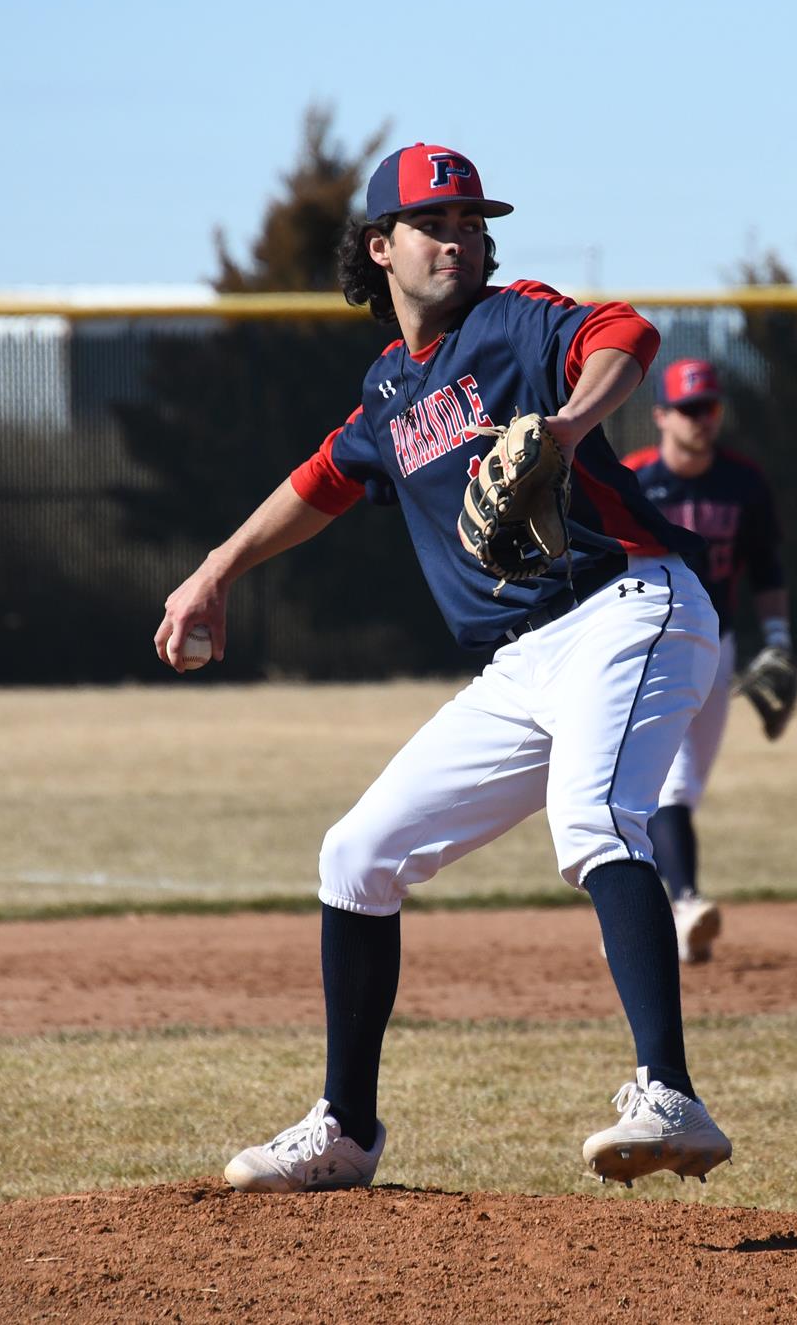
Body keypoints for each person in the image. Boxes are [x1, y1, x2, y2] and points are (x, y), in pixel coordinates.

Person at [155, 143, 732, 1193]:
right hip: (520, 664)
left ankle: (669, 1093)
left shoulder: (511, 320)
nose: (458, 239)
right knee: (356, 853)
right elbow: (322, 478)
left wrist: (561, 427)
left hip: (628, 606)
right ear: (379, 248)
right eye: (435, 223)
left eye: (471, 222)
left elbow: (624, 335)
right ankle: (345, 1129)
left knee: (594, 819)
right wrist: (213, 572)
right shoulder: (388, 390)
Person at [622, 359, 791, 962]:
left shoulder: (744, 483)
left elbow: (767, 567)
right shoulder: (631, 477)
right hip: (644, 644)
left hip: (716, 645)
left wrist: (778, 639)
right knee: (656, 782)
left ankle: (657, 912)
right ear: (661, 416)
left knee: (683, 784)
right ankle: (683, 902)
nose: (702, 420)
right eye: (689, 410)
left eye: (710, 408)